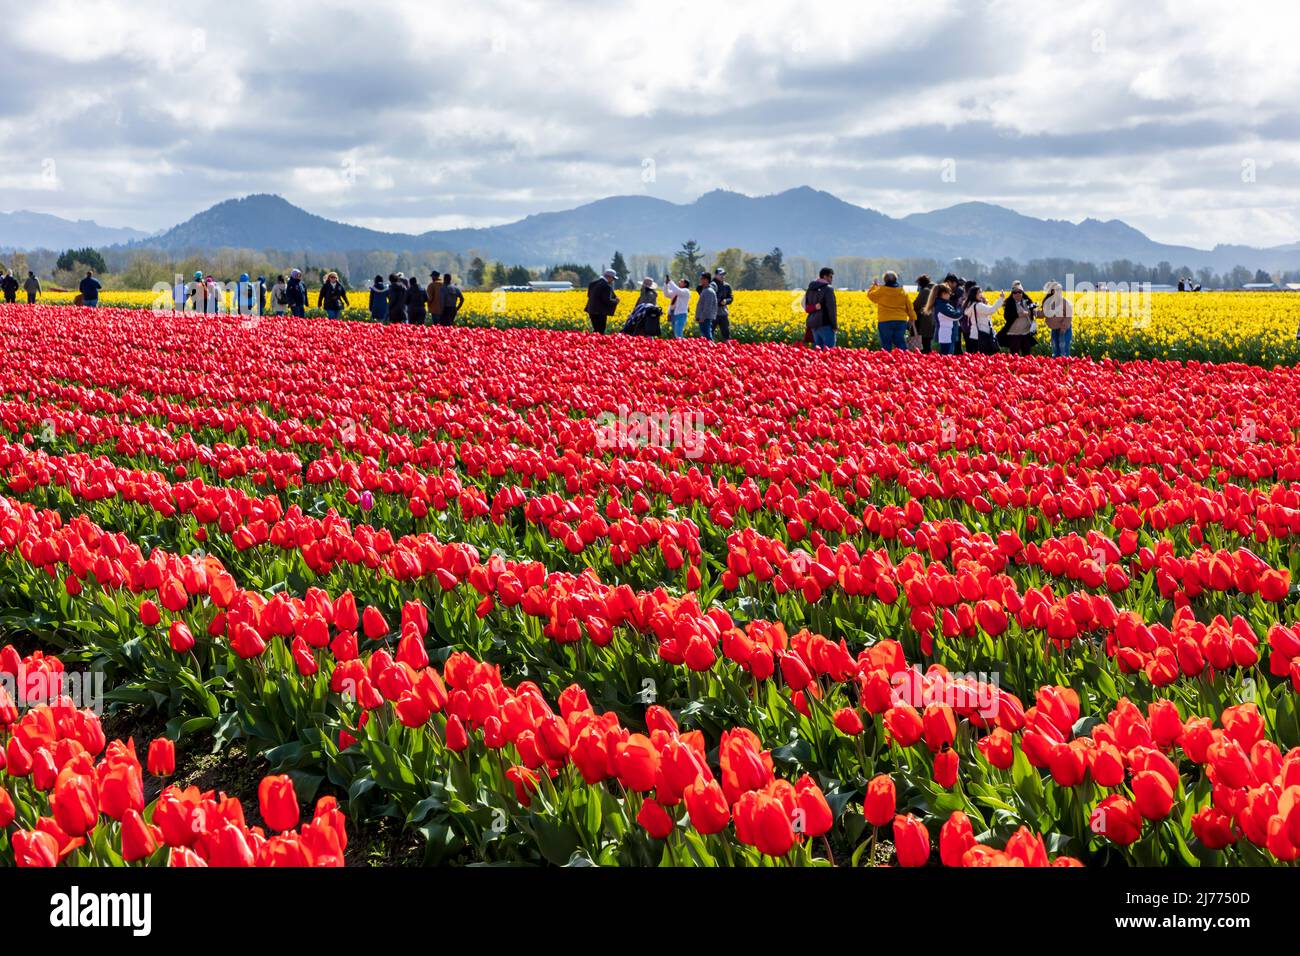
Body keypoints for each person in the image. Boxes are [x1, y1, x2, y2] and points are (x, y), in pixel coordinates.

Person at [867, 271, 916, 352]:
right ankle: (904, 361)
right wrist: (912, 318)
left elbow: (870, 295)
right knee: (900, 343)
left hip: (885, 321)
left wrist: (874, 286)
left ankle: (887, 362)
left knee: (886, 344)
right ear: (896, 279)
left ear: (885, 280)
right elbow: (909, 307)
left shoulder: (881, 291)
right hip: (900, 321)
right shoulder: (902, 292)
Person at [963, 285, 1005, 354]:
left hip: (975, 335)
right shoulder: (978, 305)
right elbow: (991, 310)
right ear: (974, 295)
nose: (981, 294)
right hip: (982, 335)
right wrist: (1001, 299)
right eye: (979, 292)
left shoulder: (971, 305)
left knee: (977, 357)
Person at [804, 267, 837, 349]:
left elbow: (806, 305)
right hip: (825, 323)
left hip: (813, 324)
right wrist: (834, 325)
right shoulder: (828, 289)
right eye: (830, 277)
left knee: (818, 352)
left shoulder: (810, 288)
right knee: (829, 351)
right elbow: (831, 309)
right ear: (825, 277)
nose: (831, 279)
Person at [999, 284, 1037, 355]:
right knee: (1014, 356)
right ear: (1012, 294)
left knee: (1027, 355)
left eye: (1019, 292)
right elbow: (1006, 316)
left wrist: (1037, 312)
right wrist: (1019, 315)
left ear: (1022, 293)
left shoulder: (1028, 302)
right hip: (1014, 334)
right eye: (1015, 292)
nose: (1017, 294)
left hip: (1026, 333)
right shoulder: (1010, 304)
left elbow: (1034, 312)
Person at [927, 282, 963, 354]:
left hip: (945, 335)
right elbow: (955, 316)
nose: (950, 295)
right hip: (945, 337)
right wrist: (962, 308)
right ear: (943, 294)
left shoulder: (942, 304)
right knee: (945, 358)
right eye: (949, 293)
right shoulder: (942, 306)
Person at [1042, 280, 1073, 357]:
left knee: (1063, 347)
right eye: (1056, 290)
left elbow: (1069, 315)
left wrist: (1065, 325)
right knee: (1055, 346)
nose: (1059, 292)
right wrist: (1037, 313)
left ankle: (1063, 362)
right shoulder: (1049, 302)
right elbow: (1045, 312)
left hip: (1063, 329)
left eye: (1060, 290)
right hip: (1054, 328)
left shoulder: (1064, 302)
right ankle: (1056, 362)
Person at [584, 269, 619, 333]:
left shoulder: (592, 283)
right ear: (609, 277)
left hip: (591, 310)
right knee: (600, 330)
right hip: (600, 312)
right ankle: (598, 342)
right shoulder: (606, 286)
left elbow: (589, 295)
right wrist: (616, 301)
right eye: (613, 278)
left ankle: (593, 341)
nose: (613, 281)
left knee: (596, 329)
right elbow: (607, 301)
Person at [912, 275, 934, 353]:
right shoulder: (935, 289)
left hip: (925, 321)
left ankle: (925, 362)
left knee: (924, 344)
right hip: (933, 320)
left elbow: (915, 305)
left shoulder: (925, 291)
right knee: (928, 342)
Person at [711, 267, 733, 342]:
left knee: (726, 332)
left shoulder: (727, 286)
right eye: (720, 274)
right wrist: (719, 301)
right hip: (713, 313)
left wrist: (726, 301)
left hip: (723, 312)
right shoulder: (712, 285)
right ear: (716, 275)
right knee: (710, 332)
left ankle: (728, 348)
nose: (722, 276)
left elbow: (731, 298)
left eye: (723, 274)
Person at [695, 272, 718, 341]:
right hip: (704, 317)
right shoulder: (705, 290)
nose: (700, 280)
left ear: (706, 280)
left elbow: (707, 306)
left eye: (702, 279)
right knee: (705, 336)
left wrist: (703, 317)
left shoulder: (709, 291)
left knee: (707, 336)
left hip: (705, 318)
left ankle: (712, 349)